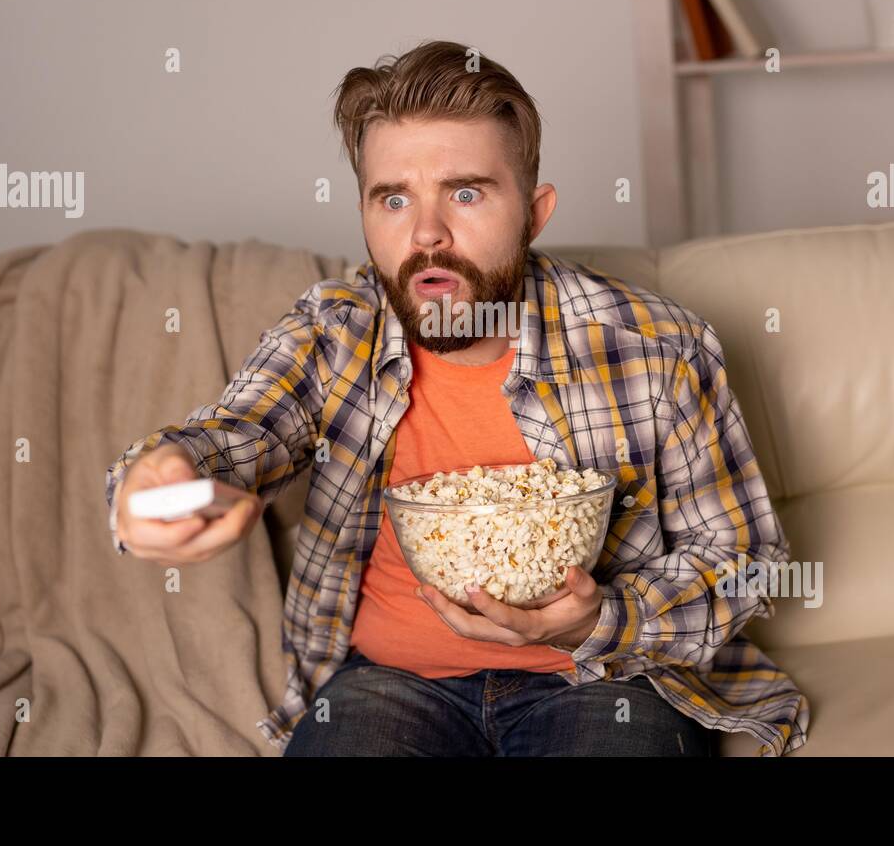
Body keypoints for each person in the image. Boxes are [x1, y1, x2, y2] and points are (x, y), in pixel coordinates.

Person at [105, 39, 808, 757]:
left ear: (535, 213)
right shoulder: (332, 330)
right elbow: (240, 434)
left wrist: (599, 620)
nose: (427, 232)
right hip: (388, 681)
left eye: (466, 193)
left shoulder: (656, 345)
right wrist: (163, 478)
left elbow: (743, 558)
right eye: (394, 198)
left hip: (605, 679)